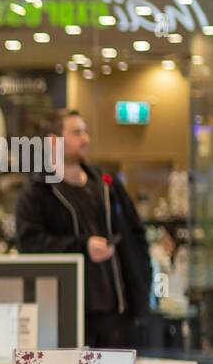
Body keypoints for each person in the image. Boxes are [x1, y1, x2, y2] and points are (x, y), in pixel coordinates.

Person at [17, 109, 151, 349]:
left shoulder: (106, 185)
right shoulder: (38, 191)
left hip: (118, 314)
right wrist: (81, 247)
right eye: (77, 132)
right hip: (68, 317)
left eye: (86, 131)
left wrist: (142, 285)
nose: (86, 139)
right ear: (53, 141)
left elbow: (136, 235)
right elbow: (30, 244)